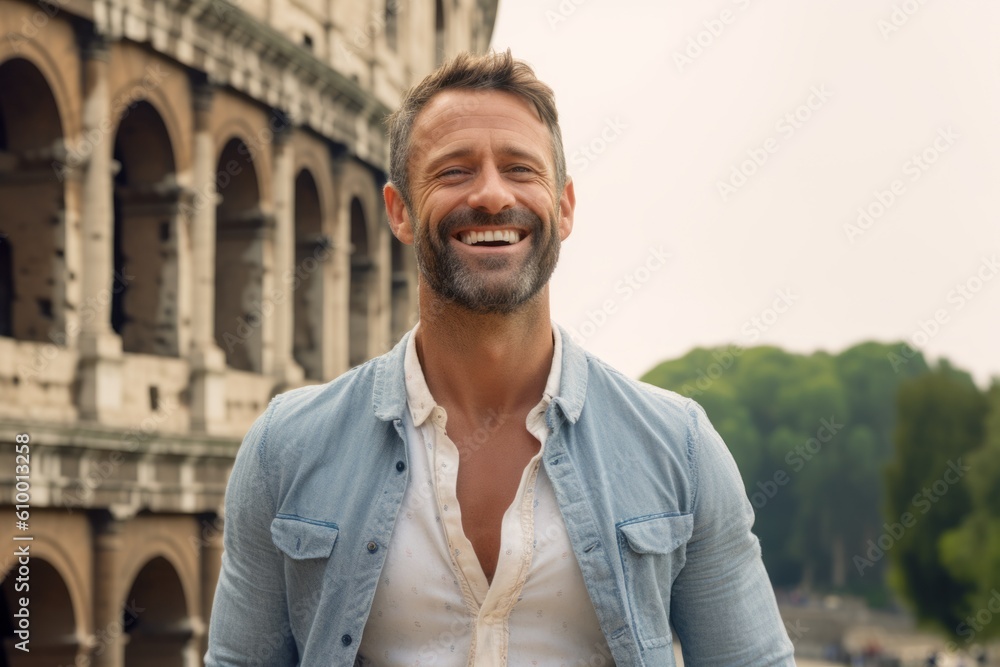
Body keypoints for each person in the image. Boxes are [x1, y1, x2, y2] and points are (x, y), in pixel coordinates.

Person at [205, 50, 794, 666]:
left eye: (520, 169)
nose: (490, 194)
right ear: (399, 211)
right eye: (454, 171)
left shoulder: (681, 449)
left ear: (563, 207)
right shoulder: (284, 448)